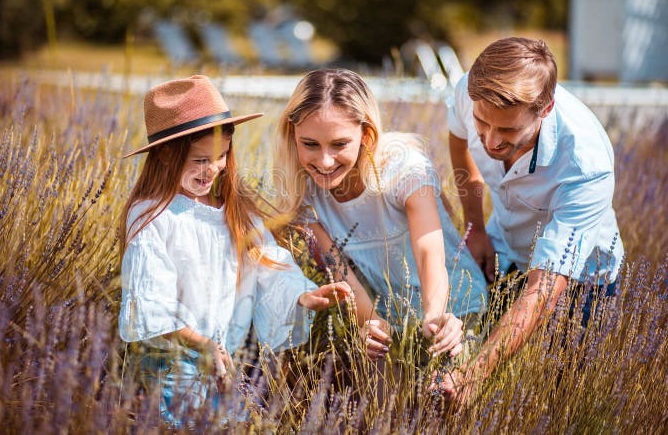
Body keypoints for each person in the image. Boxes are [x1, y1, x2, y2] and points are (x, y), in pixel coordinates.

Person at [118, 75, 351, 425]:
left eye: (221, 156)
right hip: (172, 364)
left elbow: (270, 265)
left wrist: (302, 295)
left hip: (227, 360)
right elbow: (151, 305)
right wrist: (202, 345)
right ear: (166, 155)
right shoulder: (154, 216)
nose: (212, 169)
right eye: (199, 160)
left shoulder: (234, 211)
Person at [439, 37, 624, 402]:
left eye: (507, 131)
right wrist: (474, 228)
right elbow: (459, 143)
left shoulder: (585, 166)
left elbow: (544, 288)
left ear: (546, 108)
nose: (491, 141)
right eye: (482, 122)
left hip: (581, 281)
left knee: (552, 397)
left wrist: (475, 375)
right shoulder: (471, 89)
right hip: (504, 248)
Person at [273, 68, 488, 362]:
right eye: (310, 144)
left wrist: (435, 316)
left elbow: (429, 253)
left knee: (447, 392)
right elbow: (341, 271)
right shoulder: (303, 193)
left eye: (339, 144)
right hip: (391, 314)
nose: (324, 161)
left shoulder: (404, 168)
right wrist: (370, 323)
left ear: (366, 134)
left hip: (452, 307)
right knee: (390, 402)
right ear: (292, 134)